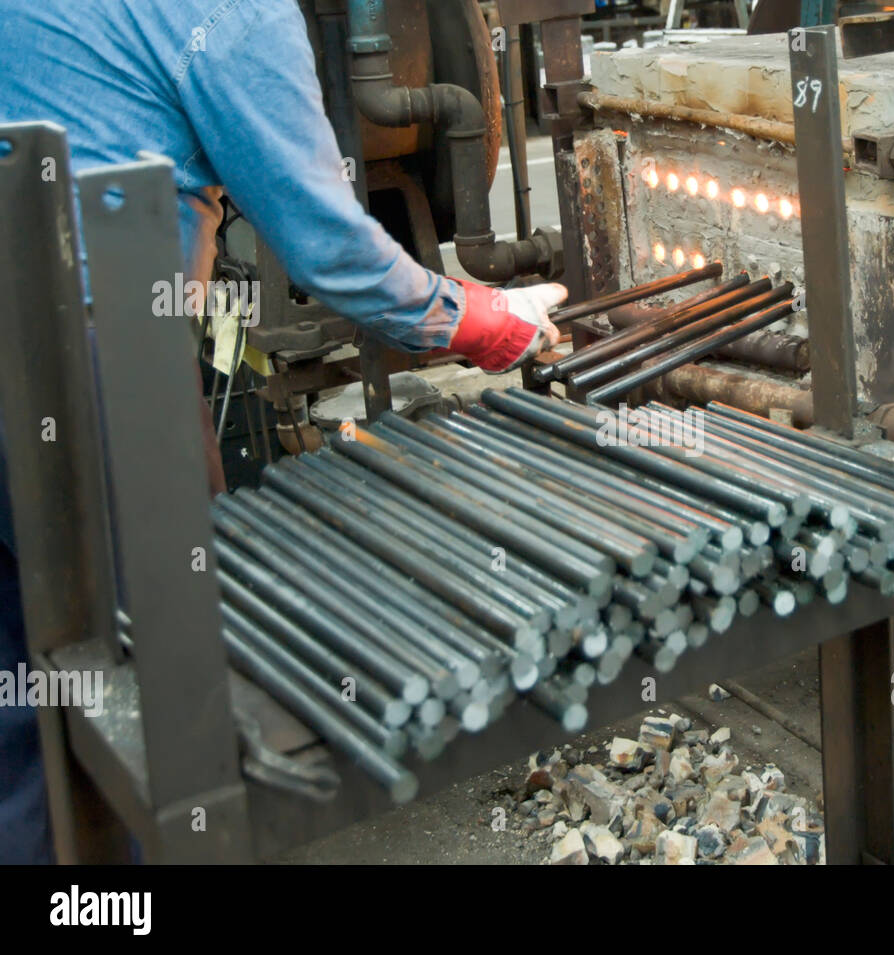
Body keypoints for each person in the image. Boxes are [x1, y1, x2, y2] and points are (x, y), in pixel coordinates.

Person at [0, 0, 566, 863]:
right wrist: (487, 319)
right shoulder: (234, 12)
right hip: (94, 365)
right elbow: (327, 245)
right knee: (167, 719)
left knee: (27, 694)